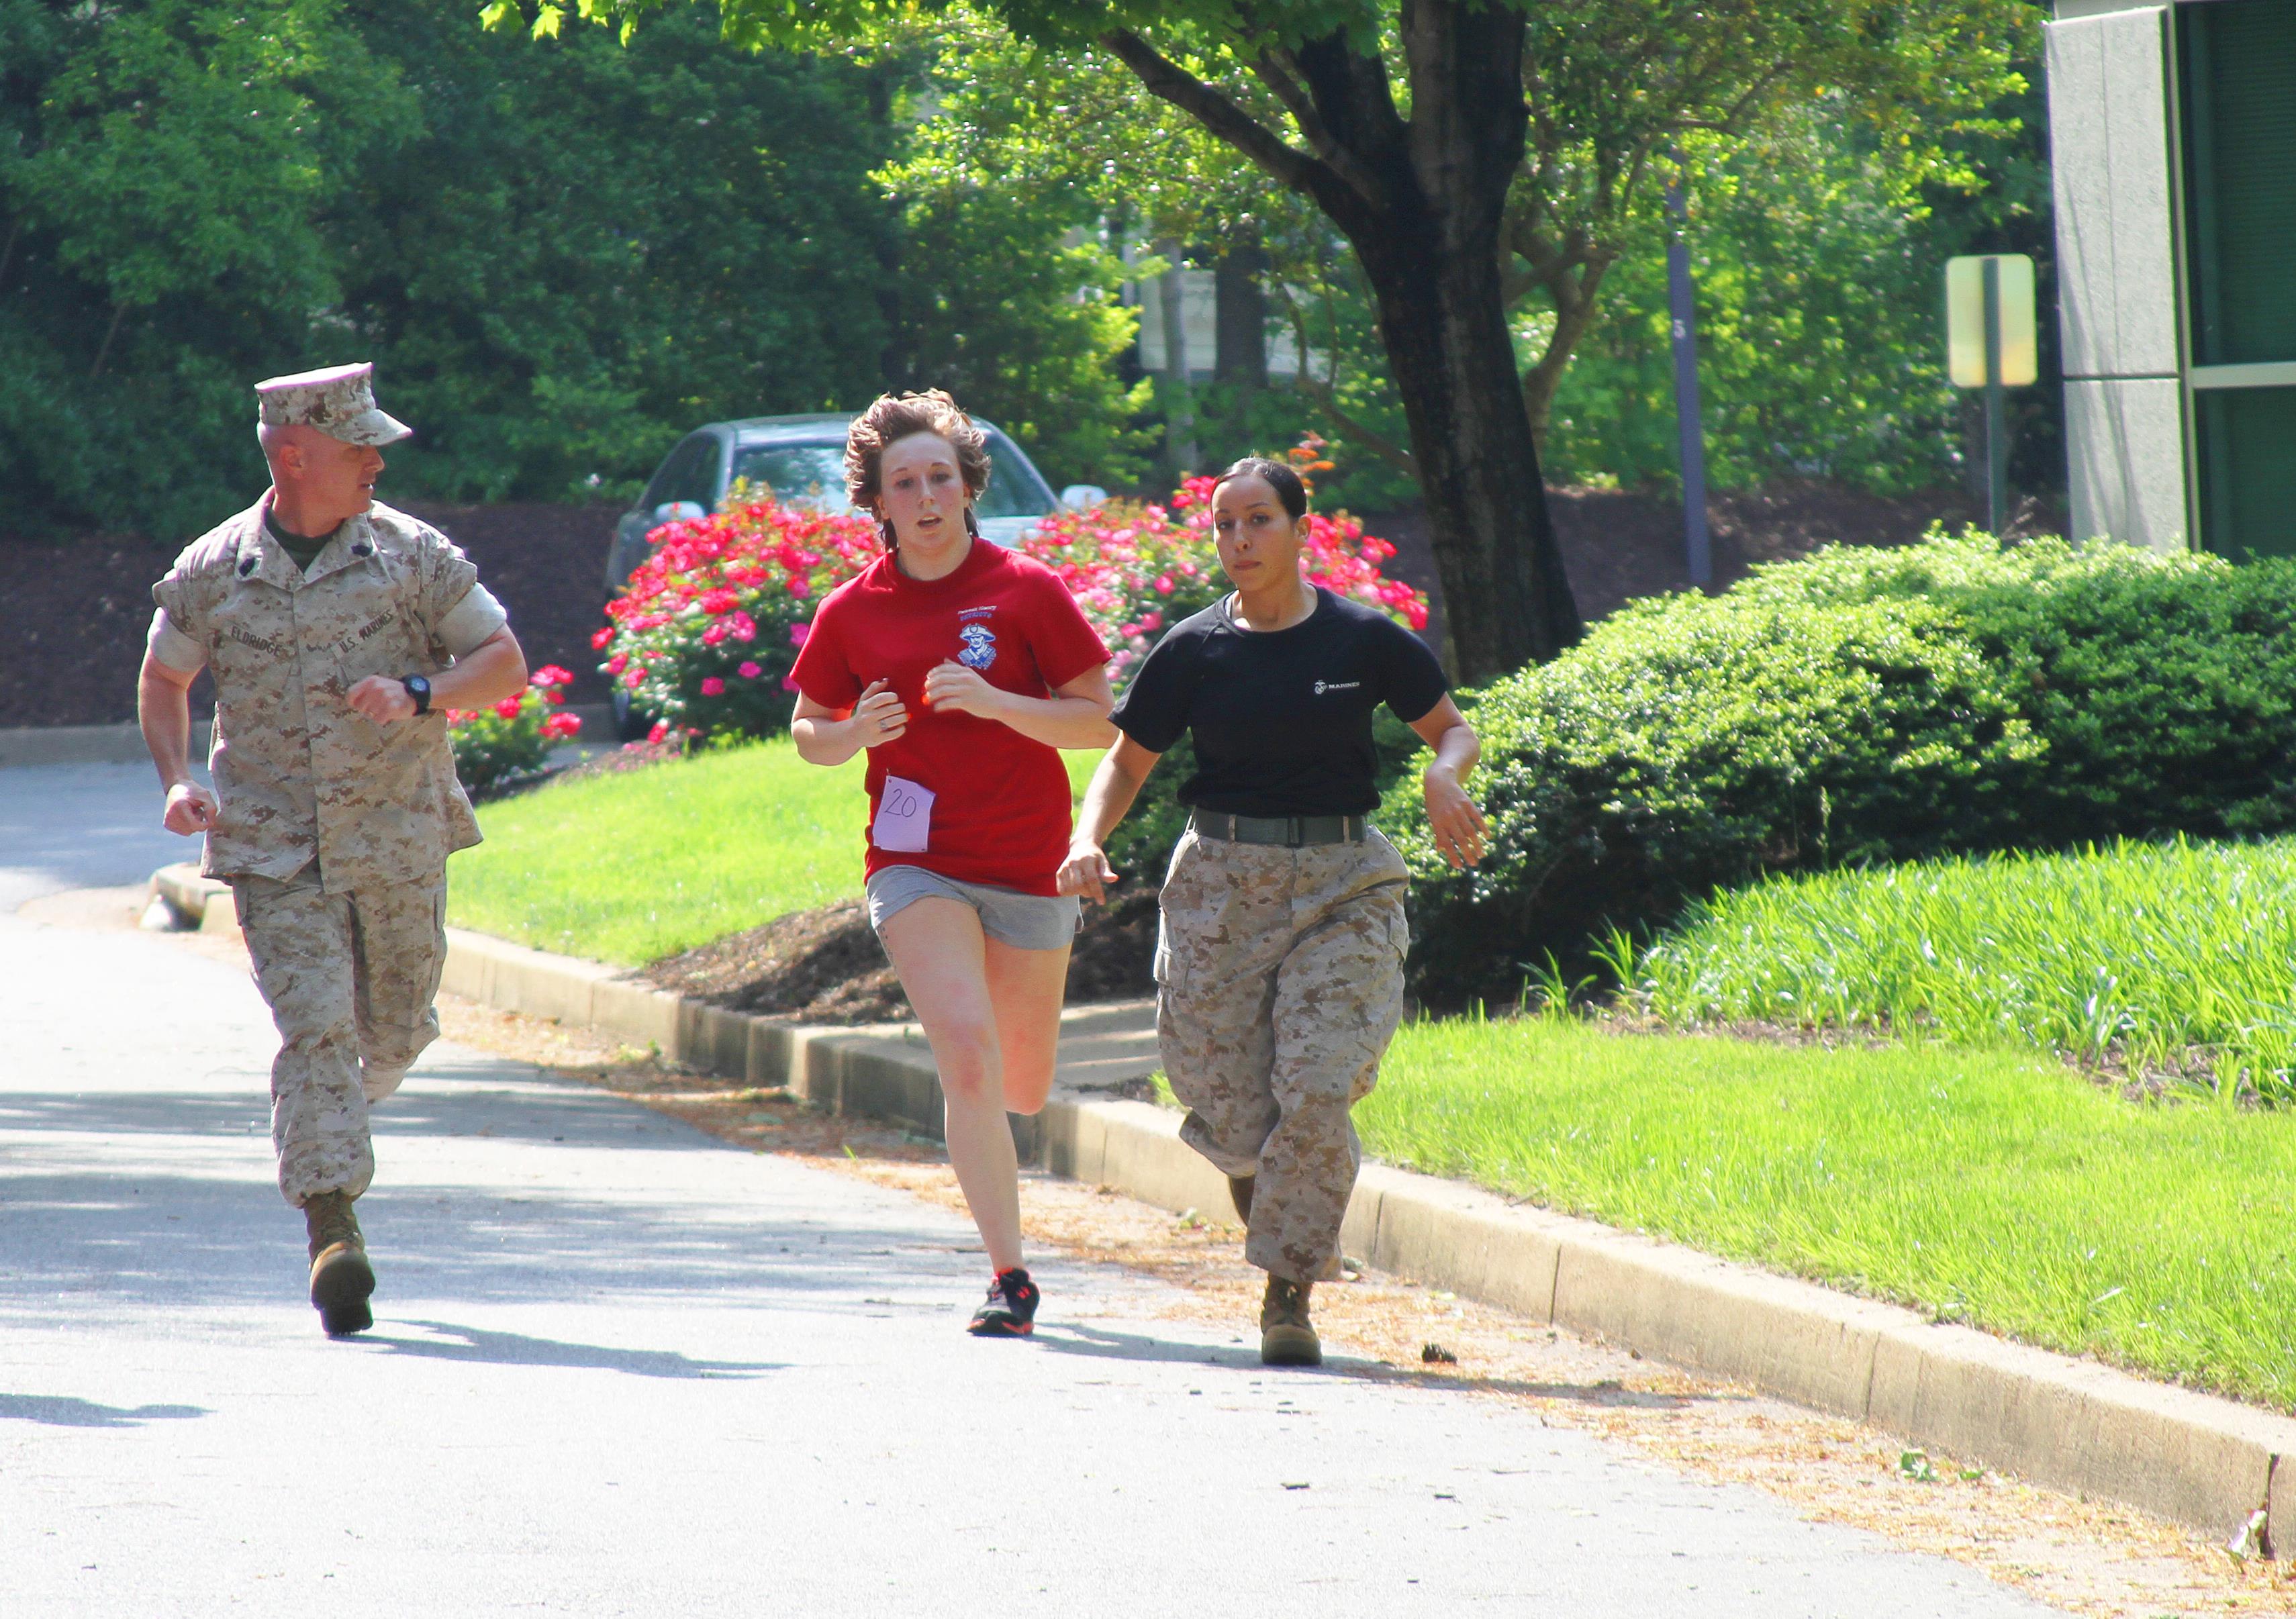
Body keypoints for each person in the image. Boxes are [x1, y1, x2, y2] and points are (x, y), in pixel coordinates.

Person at [1057, 456, 1488, 1367]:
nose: (1239, 540)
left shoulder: (1363, 640)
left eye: (1258, 520)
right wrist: (1085, 837)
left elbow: (1451, 725)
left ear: (1300, 527)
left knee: (1320, 1085)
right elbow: (1125, 762)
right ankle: (1282, 1210)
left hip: (1344, 884)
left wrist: (1445, 774)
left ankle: (1287, 1295)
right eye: (1224, 525)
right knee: (1234, 1111)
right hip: (1220, 886)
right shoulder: (1193, 649)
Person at [138, 362, 531, 1337]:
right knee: (316, 1029)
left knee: (393, 1030)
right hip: (273, 847)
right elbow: (163, 677)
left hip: (398, 835)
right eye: (358, 447)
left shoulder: (411, 555)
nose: (375, 461)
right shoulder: (212, 570)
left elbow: (505, 663)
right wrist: (179, 782)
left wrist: (422, 691)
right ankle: (332, 1226)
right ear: (292, 453)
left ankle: (338, 1114)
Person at [789, 390, 1116, 1337]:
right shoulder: (854, 609)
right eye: (905, 482)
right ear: (879, 503)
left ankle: (1006, 1179)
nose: (926, 496)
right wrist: (850, 732)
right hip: (912, 861)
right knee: (966, 1055)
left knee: (1021, 1082)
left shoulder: (1027, 589)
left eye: (941, 476)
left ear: (970, 487)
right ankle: (1009, 1277)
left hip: (1028, 864)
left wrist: (995, 701)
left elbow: (1099, 719)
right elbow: (807, 731)